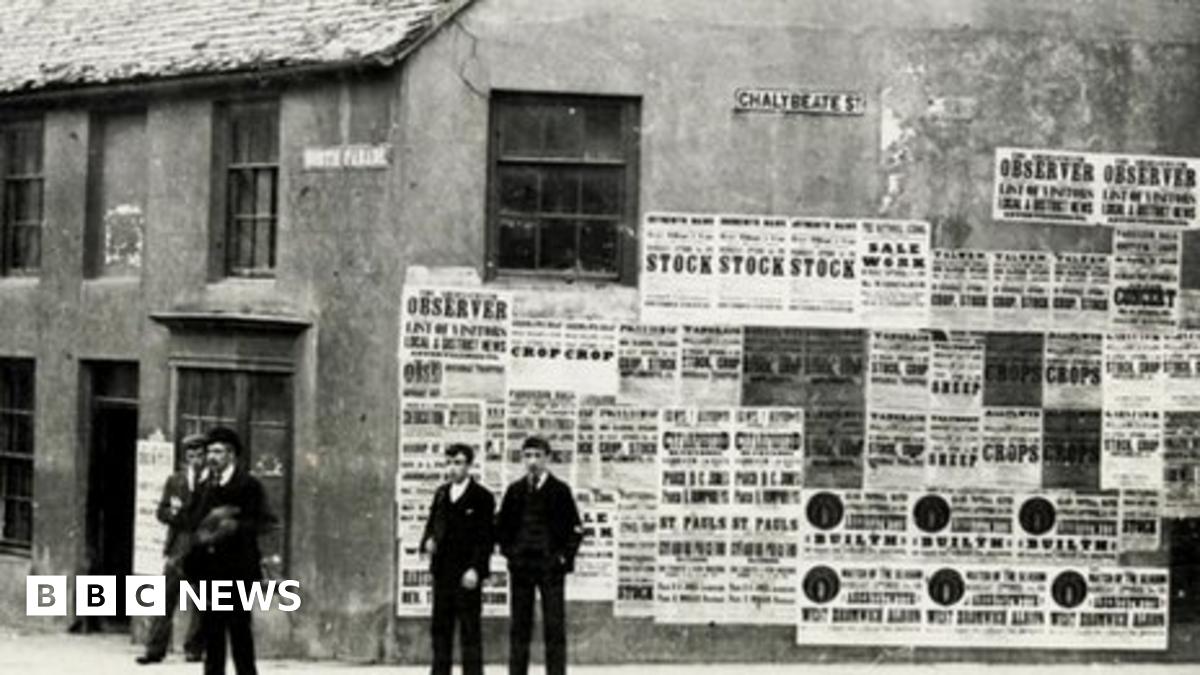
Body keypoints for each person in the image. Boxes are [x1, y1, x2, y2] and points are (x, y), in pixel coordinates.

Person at [184, 427, 275, 675]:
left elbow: (266, 522)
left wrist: (236, 526)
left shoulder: (248, 485)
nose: (211, 457)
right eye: (209, 451)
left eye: (218, 451)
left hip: (238, 571)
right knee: (212, 634)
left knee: (239, 633)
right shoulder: (205, 485)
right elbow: (191, 521)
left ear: (231, 455)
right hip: (208, 572)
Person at [496, 436, 584, 675]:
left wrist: (563, 558)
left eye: (537, 456)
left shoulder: (560, 491)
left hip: (550, 568)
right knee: (519, 627)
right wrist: (511, 555)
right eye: (528, 456)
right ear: (522, 459)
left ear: (547, 458)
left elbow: (575, 530)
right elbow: (502, 528)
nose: (532, 461)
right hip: (522, 567)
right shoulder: (514, 491)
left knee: (554, 627)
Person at [421, 443, 495, 675]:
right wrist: (428, 541)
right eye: (449, 463)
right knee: (440, 631)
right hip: (443, 571)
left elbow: (486, 539)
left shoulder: (482, 497)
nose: (453, 468)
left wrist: (476, 568)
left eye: (458, 463)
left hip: (466, 574)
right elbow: (432, 524)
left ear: (469, 465)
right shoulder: (442, 493)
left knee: (469, 631)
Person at [136, 433, 208, 665]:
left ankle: (194, 649)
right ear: (185, 458)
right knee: (165, 598)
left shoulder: (213, 483)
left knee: (203, 600)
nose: (196, 460)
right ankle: (155, 649)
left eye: (199, 455)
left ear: (206, 456)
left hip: (204, 545)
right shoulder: (175, 481)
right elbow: (161, 512)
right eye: (191, 456)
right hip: (179, 545)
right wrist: (174, 514)